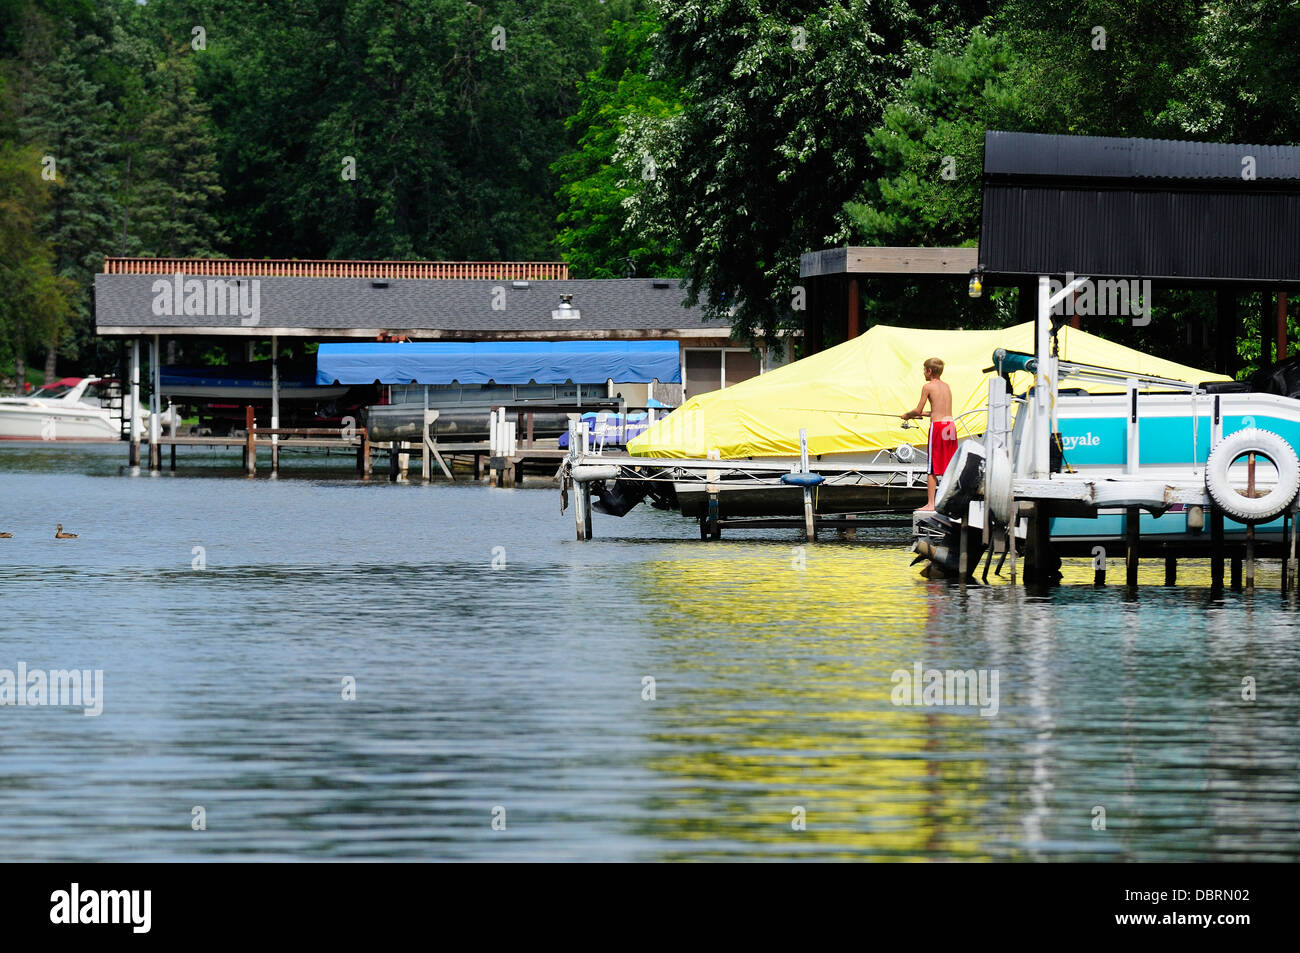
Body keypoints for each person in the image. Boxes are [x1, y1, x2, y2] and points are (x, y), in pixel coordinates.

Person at [901, 357, 956, 511]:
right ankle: (949, 501)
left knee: (932, 467)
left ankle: (931, 504)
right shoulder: (946, 386)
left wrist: (908, 415)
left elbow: (917, 410)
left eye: (924, 369)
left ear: (929, 371)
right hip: (950, 426)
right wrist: (924, 414)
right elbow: (938, 410)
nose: (923, 372)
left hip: (938, 428)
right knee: (948, 465)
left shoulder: (928, 387)